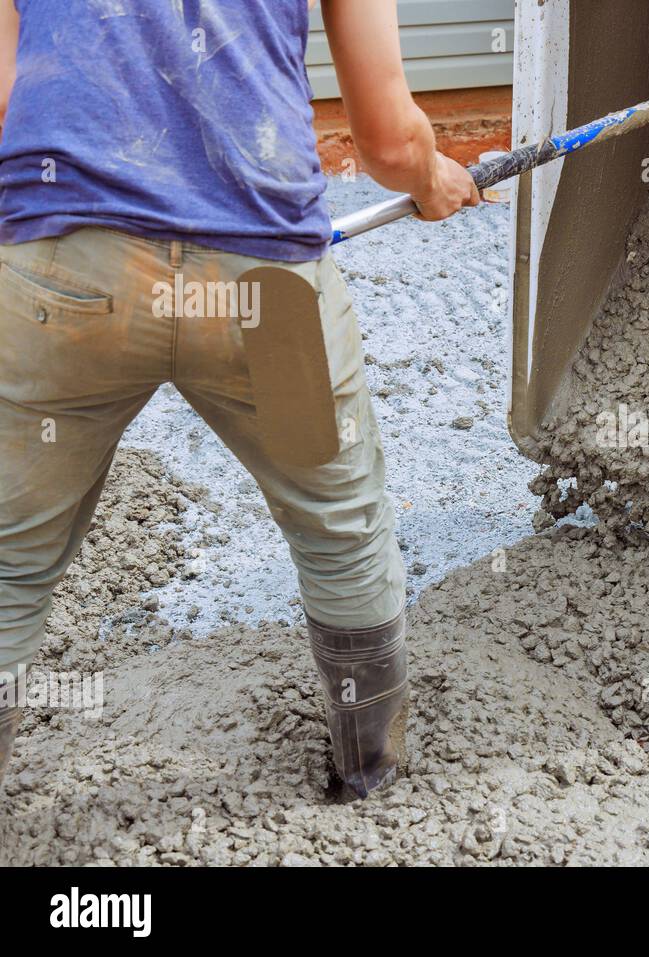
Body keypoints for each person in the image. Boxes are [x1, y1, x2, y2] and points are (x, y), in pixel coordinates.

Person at [0, 0, 479, 798]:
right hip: (263, 293)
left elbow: (9, 104)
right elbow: (391, 142)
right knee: (340, 534)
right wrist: (433, 178)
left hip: (66, 277)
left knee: (8, 559)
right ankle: (371, 784)